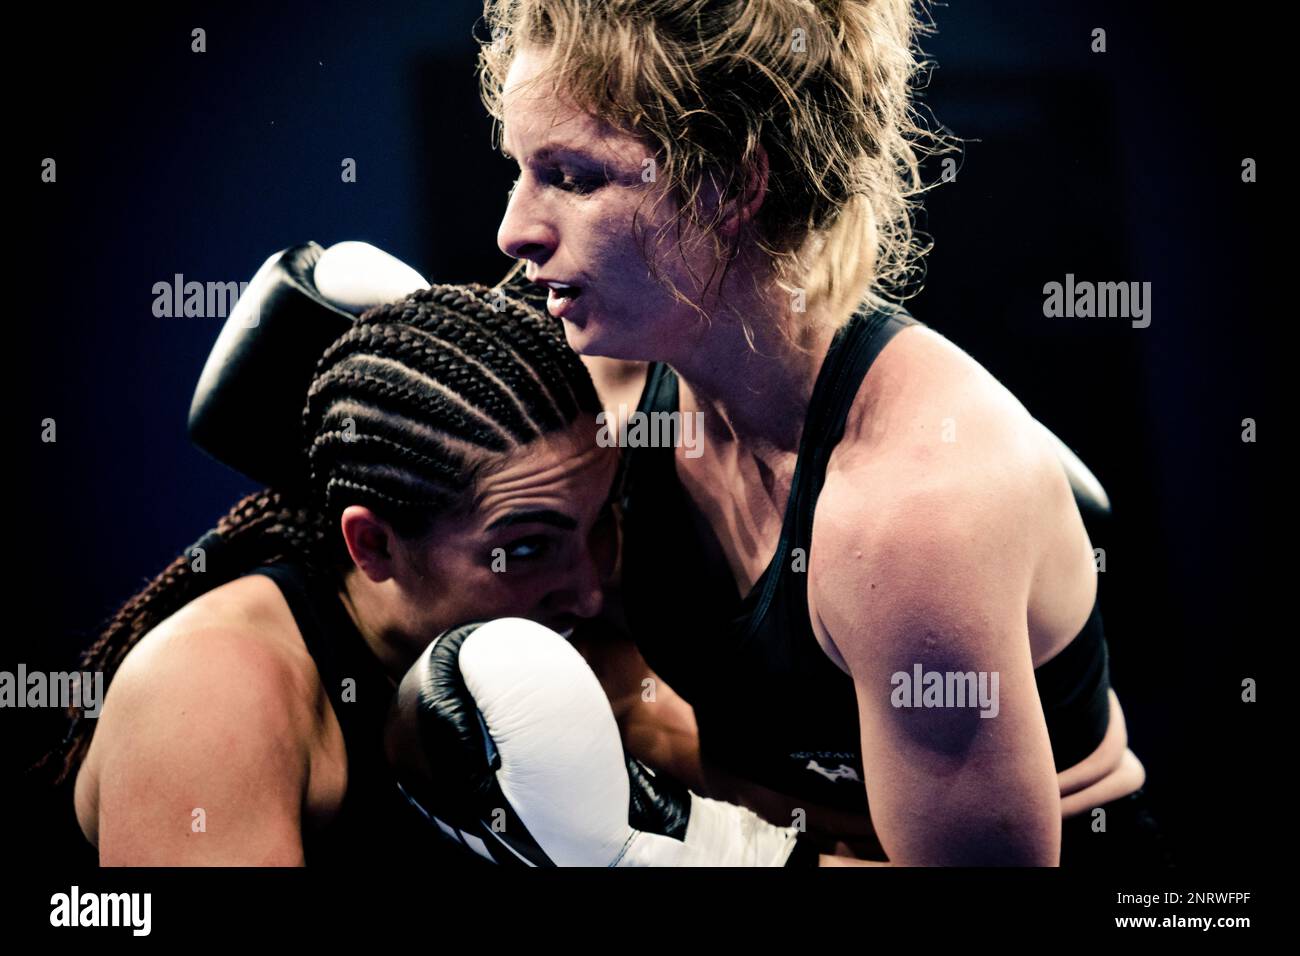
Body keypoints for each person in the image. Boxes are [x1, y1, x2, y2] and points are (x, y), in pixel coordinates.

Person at [483, 0, 1170, 865]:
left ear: (733, 186)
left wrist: (697, 857)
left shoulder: (909, 516)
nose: (514, 230)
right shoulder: (602, 386)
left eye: (575, 177)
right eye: (520, 170)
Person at [41, 258, 631, 865]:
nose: (588, 590)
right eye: (528, 548)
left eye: (603, 523)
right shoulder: (209, 696)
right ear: (373, 545)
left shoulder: (568, 639)